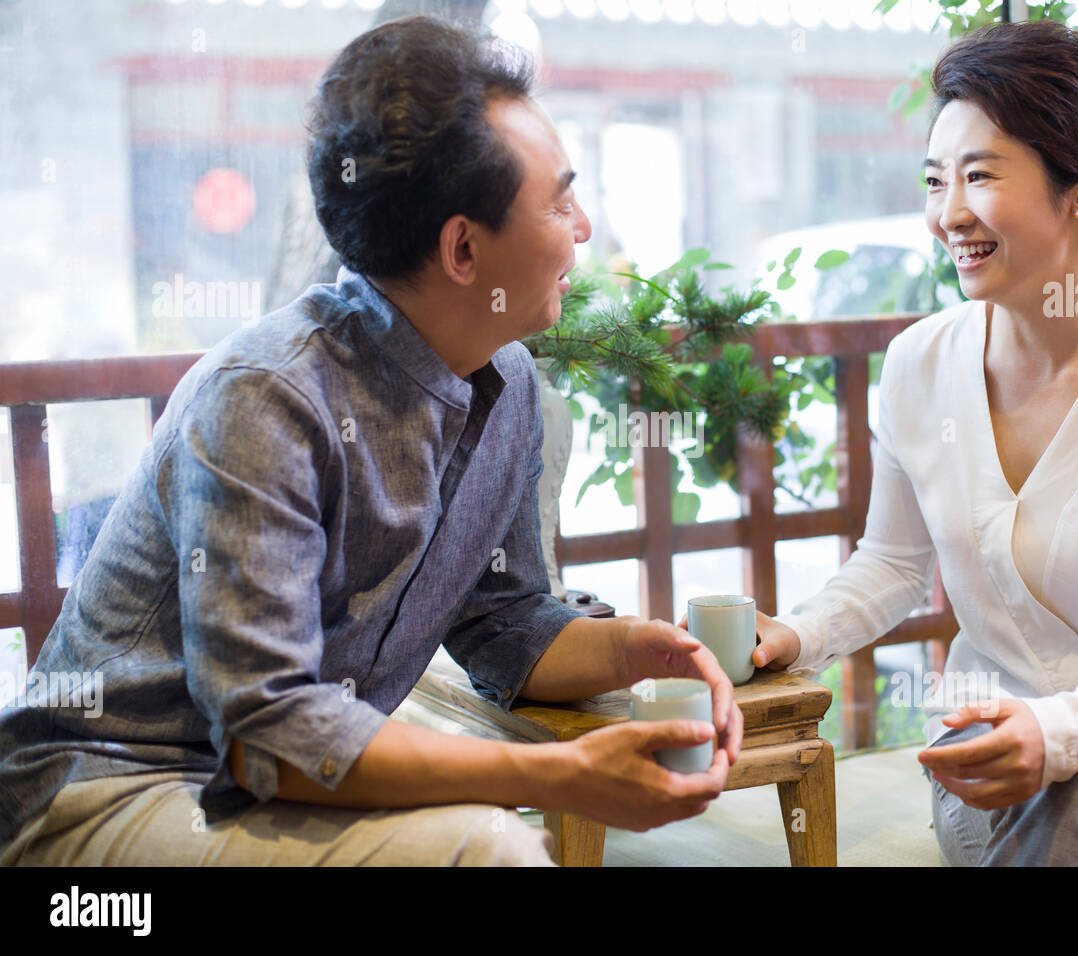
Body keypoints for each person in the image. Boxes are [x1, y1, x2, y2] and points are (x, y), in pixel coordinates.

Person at [0, 14, 743, 867]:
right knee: (485, 848)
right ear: (463, 248)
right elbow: (270, 734)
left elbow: (504, 624)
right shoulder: (268, 399)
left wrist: (640, 648)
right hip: (108, 793)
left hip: (257, 790)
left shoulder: (512, 386)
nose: (583, 227)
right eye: (559, 199)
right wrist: (559, 774)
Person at [750, 20, 1078, 866]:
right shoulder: (921, 365)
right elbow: (893, 565)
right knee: (1040, 813)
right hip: (989, 727)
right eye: (935, 181)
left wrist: (1062, 732)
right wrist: (798, 636)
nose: (947, 214)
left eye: (980, 177)